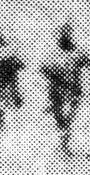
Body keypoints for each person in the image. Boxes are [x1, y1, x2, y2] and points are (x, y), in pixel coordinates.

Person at [39, 23, 90, 154]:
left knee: (67, 116)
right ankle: (64, 137)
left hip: (71, 90)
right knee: (62, 115)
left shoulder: (74, 53)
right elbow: (44, 69)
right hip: (62, 90)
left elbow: (86, 62)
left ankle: (65, 137)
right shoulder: (57, 54)